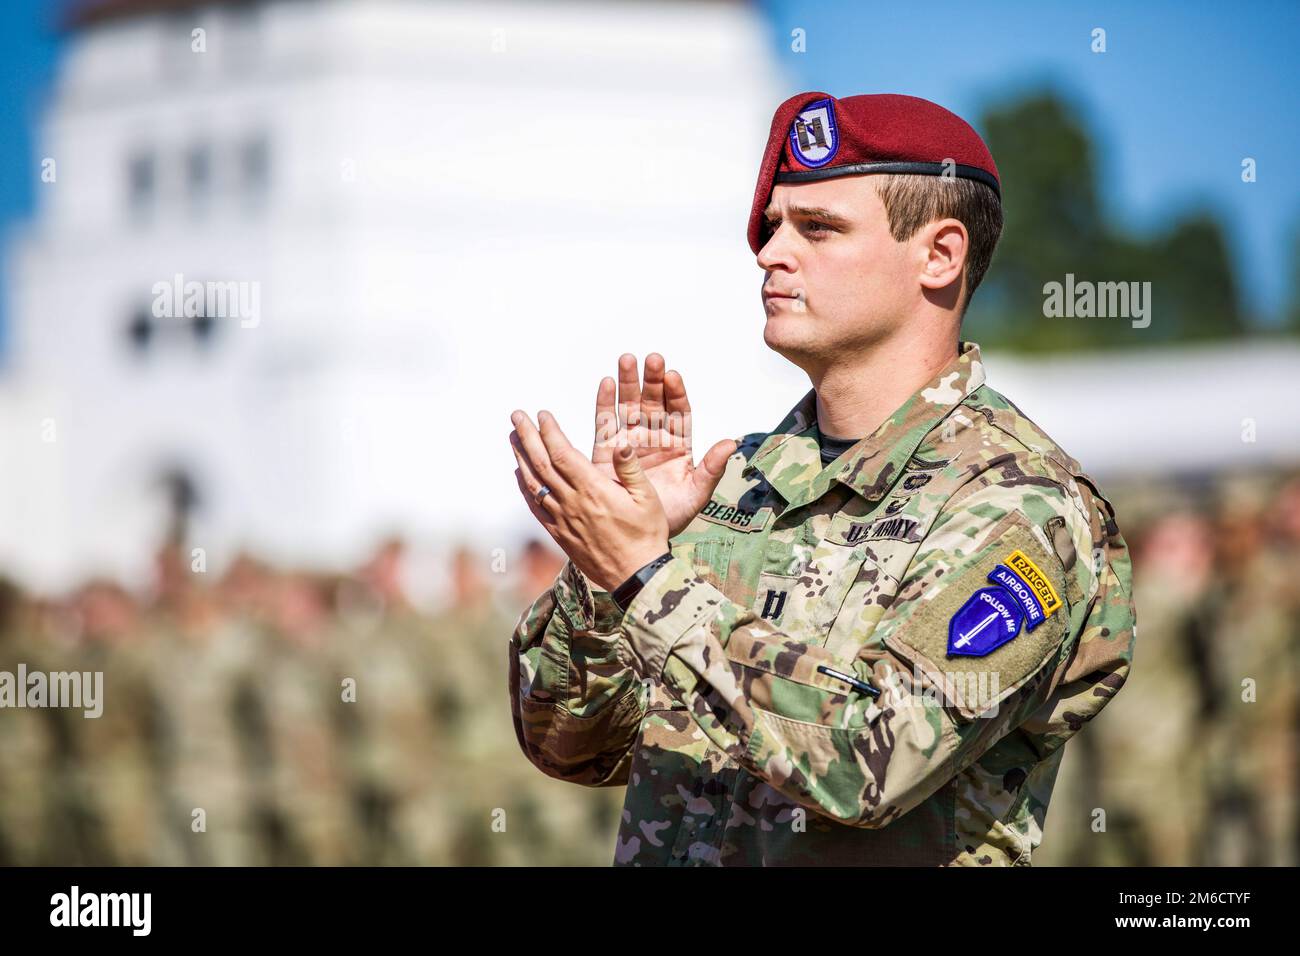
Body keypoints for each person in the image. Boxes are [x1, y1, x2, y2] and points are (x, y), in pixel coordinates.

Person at [506, 92, 1137, 866]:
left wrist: (645, 579)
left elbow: (871, 763)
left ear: (938, 255)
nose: (770, 253)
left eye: (819, 228)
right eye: (773, 225)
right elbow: (571, 745)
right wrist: (602, 572)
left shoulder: (1021, 505)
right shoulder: (736, 486)